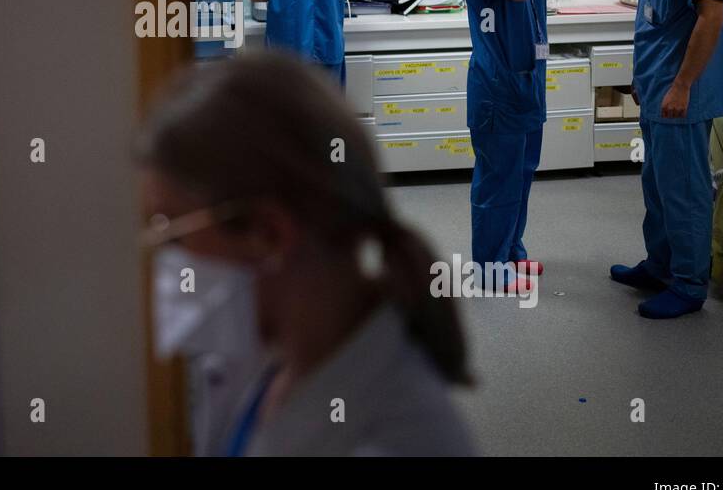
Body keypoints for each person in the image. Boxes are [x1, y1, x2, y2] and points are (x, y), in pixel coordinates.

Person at [138, 52, 473, 456]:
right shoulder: (272, 350)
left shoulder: (391, 440)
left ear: (268, 233)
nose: (161, 260)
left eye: (172, 232)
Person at [608, 0, 723, 319]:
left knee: (684, 188)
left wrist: (682, 85)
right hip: (658, 80)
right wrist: (644, 76)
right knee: (657, 183)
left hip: (683, 88)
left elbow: (710, 18)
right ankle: (660, 264)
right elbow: (655, 17)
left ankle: (687, 284)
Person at [460, 0, 571, 291]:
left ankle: (511, 254)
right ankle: (490, 269)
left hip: (528, 84)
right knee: (497, 180)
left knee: (521, 176)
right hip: (497, 89)